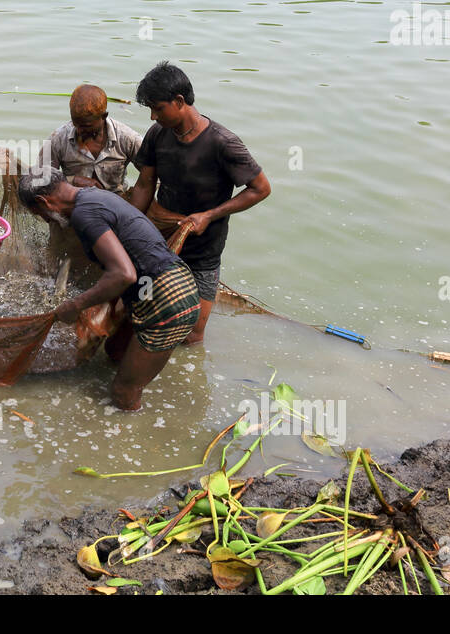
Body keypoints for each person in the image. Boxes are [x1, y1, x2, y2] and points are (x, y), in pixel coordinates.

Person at [19, 166, 200, 411]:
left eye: (38, 213)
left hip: (167, 299)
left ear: (44, 202)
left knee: (123, 392)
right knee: (114, 353)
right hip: (168, 284)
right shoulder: (94, 197)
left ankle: (129, 440)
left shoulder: (85, 214)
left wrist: (76, 305)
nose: (45, 220)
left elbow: (123, 274)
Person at [128, 62, 271, 345]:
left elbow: (261, 189)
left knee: (192, 334)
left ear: (179, 102)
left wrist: (210, 214)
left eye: (158, 108)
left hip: (204, 247)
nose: (153, 116)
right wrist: (129, 227)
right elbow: (145, 185)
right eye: (151, 110)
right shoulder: (158, 135)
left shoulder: (222, 143)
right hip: (161, 237)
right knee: (145, 309)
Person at [39, 84, 144, 195]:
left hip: (115, 199)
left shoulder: (128, 139)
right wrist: (74, 180)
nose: (79, 131)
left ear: (104, 116)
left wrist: (134, 198)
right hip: (73, 201)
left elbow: (151, 176)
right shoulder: (57, 139)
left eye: (86, 126)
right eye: (75, 124)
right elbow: (40, 180)